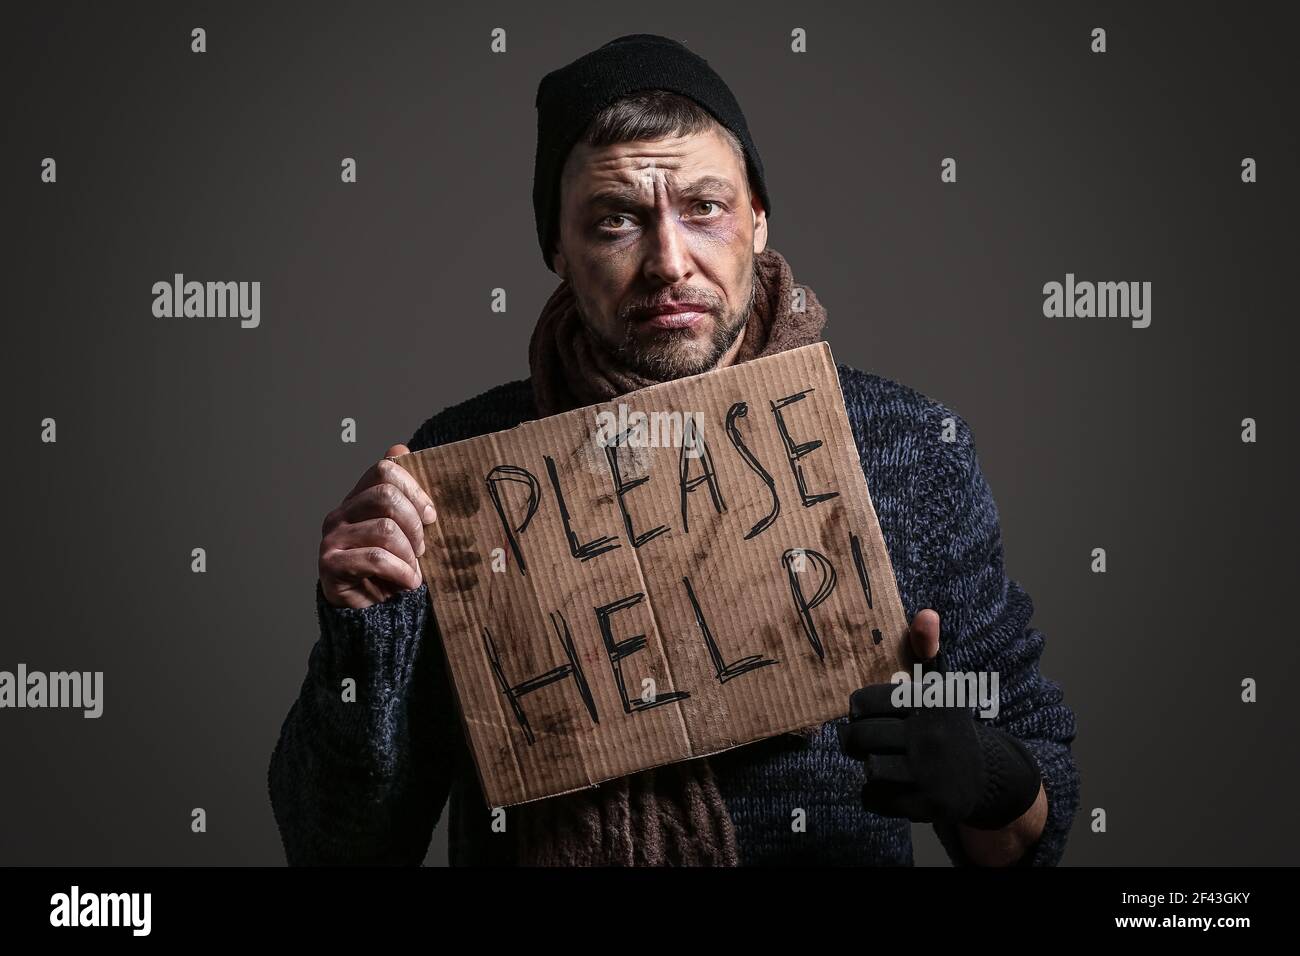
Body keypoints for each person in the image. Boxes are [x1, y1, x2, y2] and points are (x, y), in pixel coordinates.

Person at [268, 34, 1080, 866]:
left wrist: (988, 775)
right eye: (616, 220)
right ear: (557, 249)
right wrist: (361, 638)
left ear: (758, 219)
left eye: (704, 208)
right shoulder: (460, 470)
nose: (667, 261)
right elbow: (337, 847)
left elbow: (1026, 839)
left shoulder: (907, 446)